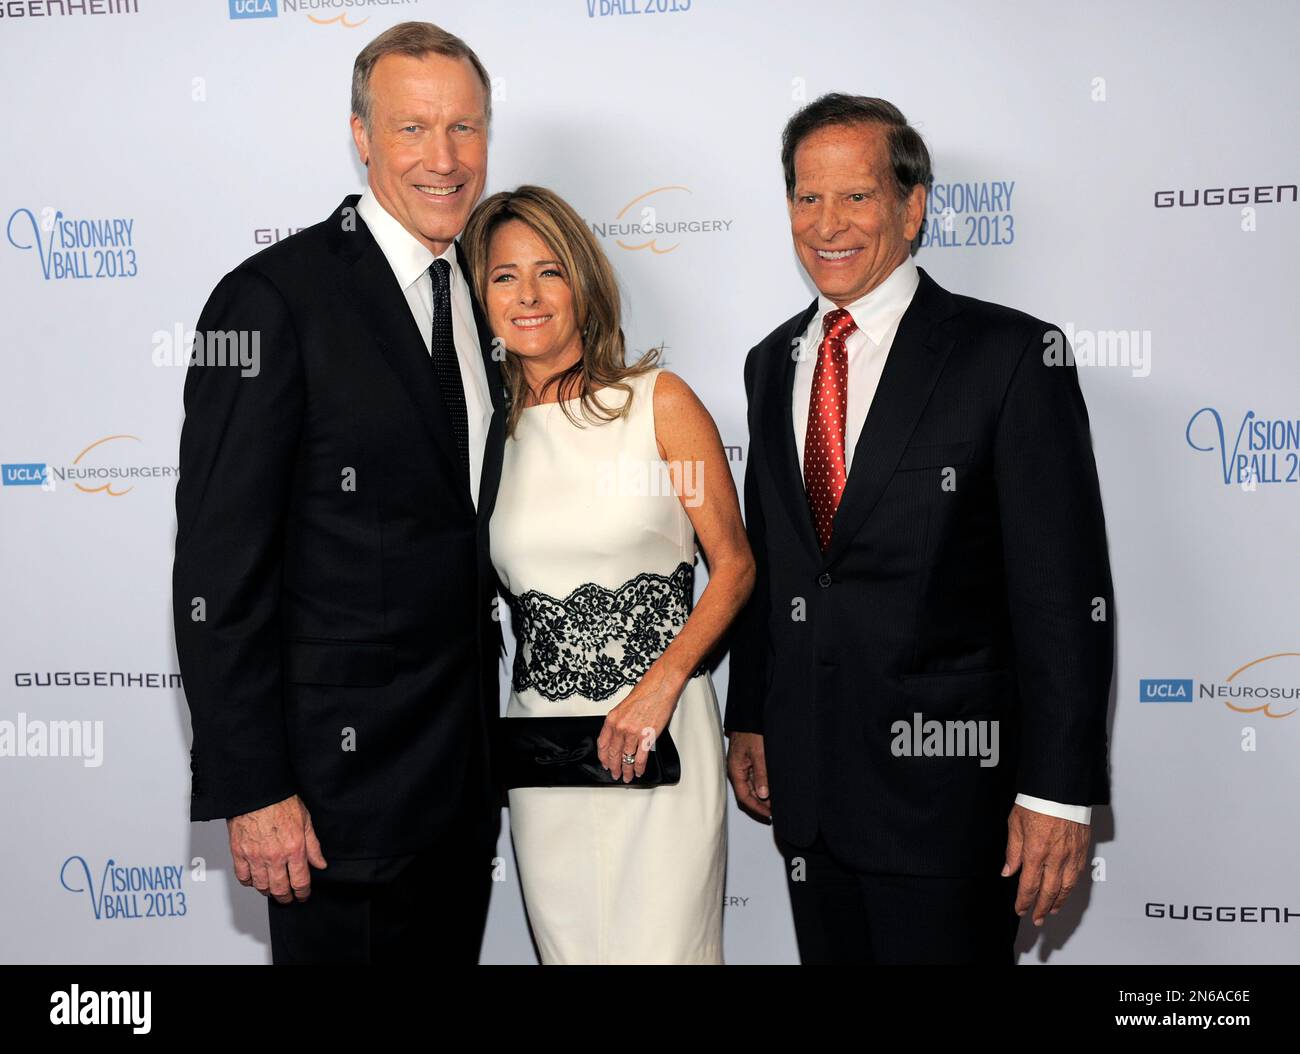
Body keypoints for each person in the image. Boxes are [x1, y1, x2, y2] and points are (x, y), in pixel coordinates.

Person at [725, 94, 1114, 964]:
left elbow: (1063, 593)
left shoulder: (1009, 356)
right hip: (812, 794)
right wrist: (750, 713)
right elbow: (778, 562)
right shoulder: (769, 362)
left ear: (913, 206)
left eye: (856, 197)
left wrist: (1057, 794)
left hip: (949, 805)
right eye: (806, 197)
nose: (827, 224)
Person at [172, 22, 505, 964]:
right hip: (329, 801)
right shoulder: (272, 301)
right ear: (361, 135)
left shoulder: (490, 299)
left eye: (466, 129)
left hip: (459, 791)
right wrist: (254, 785)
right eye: (412, 130)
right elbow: (217, 572)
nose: (443, 160)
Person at [462, 185, 754, 964]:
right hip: (544, 757)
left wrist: (660, 688)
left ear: (583, 285)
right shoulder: (484, 439)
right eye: (502, 276)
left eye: (549, 271)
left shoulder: (660, 404)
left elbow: (734, 565)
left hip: (661, 742)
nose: (527, 295)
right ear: (478, 298)